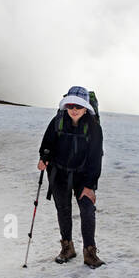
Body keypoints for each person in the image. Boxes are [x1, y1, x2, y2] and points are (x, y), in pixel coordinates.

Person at [37, 86, 105, 267]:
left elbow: (95, 159)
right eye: (70, 106)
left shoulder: (93, 127)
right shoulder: (57, 121)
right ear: (66, 106)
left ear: (86, 108)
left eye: (79, 106)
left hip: (84, 176)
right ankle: (67, 247)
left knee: (87, 211)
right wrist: (44, 158)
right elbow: (47, 144)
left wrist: (90, 186)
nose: (74, 110)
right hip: (59, 173)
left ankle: (90, 252)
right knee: (64, 210)